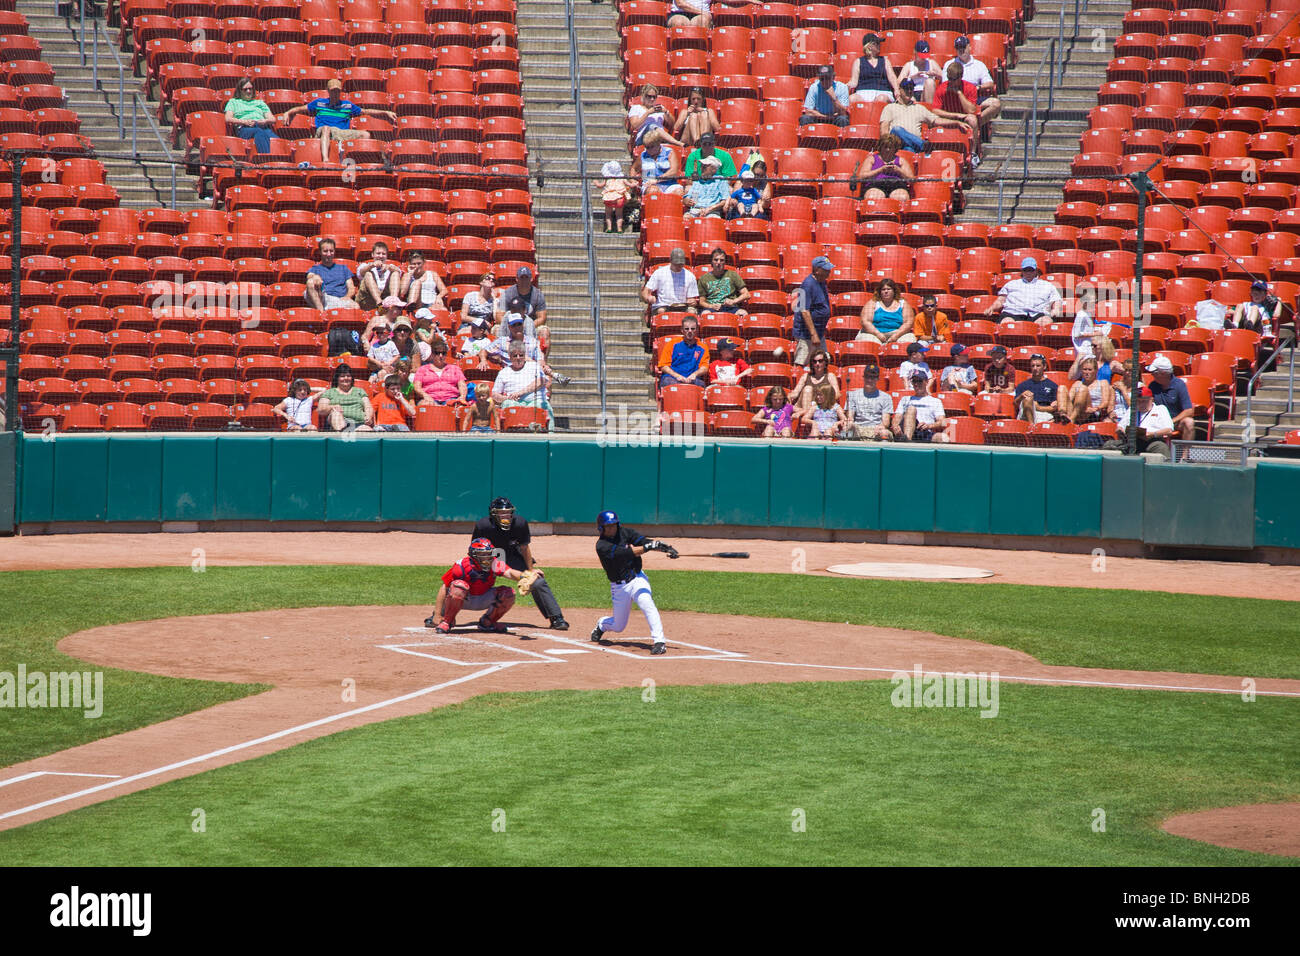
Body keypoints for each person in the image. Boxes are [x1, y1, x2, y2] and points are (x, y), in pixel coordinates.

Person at [472, 496, 570, 630]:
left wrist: (530, 570)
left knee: (537, 581)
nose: (505, 515)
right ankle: (441, 616)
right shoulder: (483, 526)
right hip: (488, 559)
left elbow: (524, 548)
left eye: (507, 512)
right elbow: (475, 548)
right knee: (464, 579)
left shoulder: (520, 523)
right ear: (493, 514)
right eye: (501, 513)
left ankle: (557, 618)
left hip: (513, 557)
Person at [591, 510, 677, 655]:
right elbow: (625, 553)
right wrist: (648, 548)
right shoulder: (602, 546)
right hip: (620, 586)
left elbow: (644, 542)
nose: (612, 528)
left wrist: (664, 547)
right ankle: (602, 625)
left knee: (646, 602)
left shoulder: (625, 533)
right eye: (608, 526)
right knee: (618, 626)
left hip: (637, 578)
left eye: (614, 525)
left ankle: (659, 642)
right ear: (601, 528)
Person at [283, 78, 396, 164]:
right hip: (323, 131)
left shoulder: (347, 105)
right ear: (328, 91)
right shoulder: (319, 103)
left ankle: (357, 161)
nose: (335, 94)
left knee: (365, 134)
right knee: (327, 128)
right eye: (333, 91)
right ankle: (326, 160)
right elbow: (301, 109)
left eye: (337, 91)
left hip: (341, 133)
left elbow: (366, 111)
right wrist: (288, 112)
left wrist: (385, 112)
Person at [424, 537, 525, 634]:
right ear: (473, 555)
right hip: (463, 599)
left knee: (508, 593)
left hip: (483, 598)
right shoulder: (461, 566)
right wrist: (437, 615)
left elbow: (510, 572)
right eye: (482, 554)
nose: (486, 558)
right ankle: (447, 621)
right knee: (459, 586)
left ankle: (488, 623)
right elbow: (444, 588)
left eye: (488, 554)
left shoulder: (494, 563)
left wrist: (525, 576)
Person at [944, 35, 1001, 129]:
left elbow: (990, 83)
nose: (961, 50)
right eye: (958, 48)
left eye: (963, 47)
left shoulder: (979, 65)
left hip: (974, 98)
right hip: (956, 99)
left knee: (996, 103)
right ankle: (971, 125)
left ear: (969, 47)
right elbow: (945, 84)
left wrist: (977, 87)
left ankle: (973, 125)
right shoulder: (949, 64)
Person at [492, 340, 553, 428]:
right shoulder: (503, 372)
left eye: (521, 355)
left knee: (544, 405)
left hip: (535, 402)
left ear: (525, 356)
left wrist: (520, 393)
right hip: (514, 403)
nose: (518, 358)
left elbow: (541, 381)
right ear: (510, 357)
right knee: (508, 404)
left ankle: (550, 436)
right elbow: (494, 394)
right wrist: (506, 398)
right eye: (515, 355)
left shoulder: (534, 366)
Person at [931, 61, 983, 164]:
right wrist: (955, 115)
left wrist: (959, 93)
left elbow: (971, 110)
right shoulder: (942, 88)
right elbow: (935, 110)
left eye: (953, 79)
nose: (950, 82)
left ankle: (972, 154)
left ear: (960, 77)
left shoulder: (970, 88)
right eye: (948, 78)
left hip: (964, 118)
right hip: (948, 118)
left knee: (972, 119)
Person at [987, 257, 1063, 326]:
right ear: (1022, 271)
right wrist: (992, 308)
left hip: (1037, 314)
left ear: (1036, 270)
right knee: (1006, 322)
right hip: (1013, 313)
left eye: (1031, 270)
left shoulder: (1047, 285)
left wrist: (1055, 310)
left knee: (1046, 321)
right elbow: (1001, 300)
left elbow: (1056, 301)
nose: (1028, 272)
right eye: (1026, 270)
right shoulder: (1011, 284)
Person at [1103, 386, 1174, 458]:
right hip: (1131, 440)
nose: (1141, 404)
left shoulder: (1160, 409)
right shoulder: (1132, 409)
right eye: (1138, 401)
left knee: (1161, 447)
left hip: (1151, 440)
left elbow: (1169, 430)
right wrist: (1120, 430)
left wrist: (1151, 434)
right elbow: (1120, 426)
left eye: (1144, 401)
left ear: (1151, 399)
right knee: (1108, 444)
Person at [498, 267, 550, 353]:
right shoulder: (508, 293)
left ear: (531, 279)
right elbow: (499, 316)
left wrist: (526, 325)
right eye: (522, 277)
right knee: (496, 329)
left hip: (531, 323)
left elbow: (542, 317)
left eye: (527, 277)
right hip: (510, 324)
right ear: (517, 279)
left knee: (545, 332)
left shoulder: (537, 294)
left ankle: (542, 362)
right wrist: (514, 326)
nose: (524, 280)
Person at [793, 255, 833, 367]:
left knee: (824, 361)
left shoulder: (822, 282)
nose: (828, 272)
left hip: (818, 332)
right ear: (816, 270)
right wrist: (813, 334)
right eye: (825, 270)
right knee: (801, 362)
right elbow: (804, 311)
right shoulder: (808, 284)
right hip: (806, 334)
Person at [1146, 354, 1195, 440]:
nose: (1152, 375)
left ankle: (1185, 453)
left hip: (1175, 421)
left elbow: (1189, 410)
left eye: (1154, 373)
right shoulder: (1152, 386)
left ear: (1163, 373)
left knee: (1189, 422)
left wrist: (1171, 421)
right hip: (1157, 421)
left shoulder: (1179, 385)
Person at [853, 132, 914, 202]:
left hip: (897, 185)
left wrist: (898, 170)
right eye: (885, 147)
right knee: (873, 197)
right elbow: (862, 176)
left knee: (902, 197)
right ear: (880, 147)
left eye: (890, 147)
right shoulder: (872, 159)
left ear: (895, 149)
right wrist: (880, 170)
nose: (887, 150)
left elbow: (911, 179)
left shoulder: (901, 161)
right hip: (875, 185)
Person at [894, 371, 953, 441]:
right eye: (914, 381)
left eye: (919, 381)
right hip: (906, 431)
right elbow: (897, 417)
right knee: (911, 409)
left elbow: (942, 421)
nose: (916, 384)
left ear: (926, 382)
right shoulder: (905, 399)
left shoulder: (936, 401)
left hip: (925, 431)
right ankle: (908, 442)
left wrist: (929, 425)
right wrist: (895, 427)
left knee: (944, 438)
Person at [224, 78, 277, 154]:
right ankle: (265, 158)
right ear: (240, 91)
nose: (248, 91)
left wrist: (264, 121)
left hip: (261, 126)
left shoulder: (260, 103)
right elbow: (228, 118)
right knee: (259, 132)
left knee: (277, 140)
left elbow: (272, 119)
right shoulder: (233, 102)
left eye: (250, 89)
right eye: (245, 89)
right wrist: (244, 122)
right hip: (244, 128)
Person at [856, 277, 915, 344]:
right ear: (880, 291)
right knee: (869, 342)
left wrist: (895, 336)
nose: (886, 291)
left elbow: (908, 323)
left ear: (894, 291)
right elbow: (865, 321)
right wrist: (878, 334)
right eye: (883, 289)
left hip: (897, 333)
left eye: (889, 289)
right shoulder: (873, 303)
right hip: (874, 334)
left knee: (909, 339)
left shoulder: (903, 303)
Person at [642, 246, 700, 314]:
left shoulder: (690, 276)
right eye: (676, 264)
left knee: (692, 312)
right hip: (663, 305)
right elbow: (645, 291)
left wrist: (692, 301)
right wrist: (648, 297)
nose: (678, 266)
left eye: (681, 264)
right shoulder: (659, 272)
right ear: (670, 260)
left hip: (683, 306)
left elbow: (691, 298)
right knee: (661, 311)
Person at [305, 237, 357, 310]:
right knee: (310, 282)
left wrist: (347, 297)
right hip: (323, 298)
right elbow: (309, 276)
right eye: (325, 251)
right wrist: (315, 276)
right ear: (320, 252)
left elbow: (351, 288)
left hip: (339, 300)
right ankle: (321, 313)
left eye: (331, 251)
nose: (329, 254)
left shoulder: (343, 268)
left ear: (334, 251)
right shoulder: (315, 269)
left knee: (355, 306)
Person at [657, 315, 709, 389]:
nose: (690, 331)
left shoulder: (703, 347)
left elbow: (704, 367)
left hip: (692, 379)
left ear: (697, 330)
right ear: (682, 330)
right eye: (687, 329)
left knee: (701, 385)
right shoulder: (672, 344)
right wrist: (677, 376)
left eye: (693, 329)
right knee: (668, 383)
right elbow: (664, 366)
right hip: (673, 378)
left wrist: (694, 374)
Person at [316, 364, 373, 431]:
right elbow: (321, 409)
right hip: (337, 423)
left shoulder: (360, 391)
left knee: (367, 429)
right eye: (342, 376)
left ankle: (350, 432)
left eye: (348, 376)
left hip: (359, 423)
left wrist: (368, 416)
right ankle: (344, 432)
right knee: (336, 414)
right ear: (337, 378)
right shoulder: (329, 392)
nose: (346, 378)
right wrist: (332, 407)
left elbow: (368, 406)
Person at [846, 363, 894, 440]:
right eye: (867, 376)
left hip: (876, 429)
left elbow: (886, 422)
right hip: (858, 428)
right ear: (863, 377)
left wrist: (880, 427)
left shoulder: (886, 397)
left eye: (873, 377)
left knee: (884, 433)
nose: (869, 380)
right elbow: (850, 417)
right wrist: (850, 423)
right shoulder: (853, 395)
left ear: (877, 379)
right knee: (848, 428)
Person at [626, 84, 682, 149]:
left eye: (654, 97)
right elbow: (634, 125)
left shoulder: (659, 108)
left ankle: (666, 141)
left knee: (654, 128)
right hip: (643, 138)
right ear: (643, 96)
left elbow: (672, 124)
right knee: (651, 126)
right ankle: (677, 143)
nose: (652, 99)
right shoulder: (636, 108)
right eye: (649, 96)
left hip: (659, 137)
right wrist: (648, 113)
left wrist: (666, 112)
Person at [848, 33, 898, 104]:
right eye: (876, 43)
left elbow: (892, 77)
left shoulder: (885, 61)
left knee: (881, 99)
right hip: (863, 92)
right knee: (852, 98)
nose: (879, 45)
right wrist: (845, 86)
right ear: (869, 46)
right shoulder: (858, 62)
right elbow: (854, 82)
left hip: (883, 92)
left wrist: (896, 89)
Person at [414, 339, 468, 405]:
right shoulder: (422, 369)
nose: (440, 356)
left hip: (451, 398)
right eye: (437, 353)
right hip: (430, 398)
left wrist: (462, 396)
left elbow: (462, 385)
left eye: (443, 353)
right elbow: (417, 387)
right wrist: (425, 395)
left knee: (459, 405)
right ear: (432, 354)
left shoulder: (455, 368)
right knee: (423, 404)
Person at [1014, 353, 1064, 424]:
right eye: (1033, 366)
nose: (1035, 368)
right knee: (1028, 399)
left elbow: (1054, 407)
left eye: (1038, 366)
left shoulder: (1052, 386)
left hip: (1044, 415)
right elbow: (1015, 404)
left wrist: (1038, 407)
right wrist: (1021, 396)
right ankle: (1032, 427)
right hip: (1025, 414)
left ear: (1044, 366)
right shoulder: (1023, 385)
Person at [698, 247, 749, 314]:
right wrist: (711, 306)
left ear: (725, 262)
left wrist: (733, 301)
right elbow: (701, 302)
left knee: (743, 313)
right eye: (716, 260)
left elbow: (747, 294)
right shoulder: (704, 278)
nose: (718, 262)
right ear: (711, 262)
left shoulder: (733, 275)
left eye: (721, 260)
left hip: (730, 307)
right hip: (712, 308)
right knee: (705, 313)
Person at [1065, 356, 1114, 424]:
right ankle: (1063, 415)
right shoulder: (1077, 383)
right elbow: (1069, 399)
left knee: (1083, 389)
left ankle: (1071, 420)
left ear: (1096, 370)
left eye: (1090, 370)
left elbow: (1105, 402)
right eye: (1085, 369)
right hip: (1077, 412)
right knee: (1062, 388)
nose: (1087, 372)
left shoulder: (1103, 383)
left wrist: (1096, 408)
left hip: (1092, 414)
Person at [791, 349, 840, 414]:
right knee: (808, 389)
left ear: (825, 363)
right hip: (804, 406)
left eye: (820, 361)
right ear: (812, 364)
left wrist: (818, 403)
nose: (817, 364)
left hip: (821, 406)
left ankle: (806, 415)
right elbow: (795, 394)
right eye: (814, 361)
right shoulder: (805, 376)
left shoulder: (830, 376)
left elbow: (836, 395)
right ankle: (806, 415)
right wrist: (787, 398)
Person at [355, 241, 400, 310]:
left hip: (385, 297)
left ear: (387, 256)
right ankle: (379, 303)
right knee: (368, 273)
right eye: (378, 253)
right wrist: (372, 265)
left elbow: (399, 272)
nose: (381, 256)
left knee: (395, 273)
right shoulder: (366, 265)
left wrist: (389, 268)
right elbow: (361, 273)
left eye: (383, 254)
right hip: (368, 300)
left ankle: (393, 301)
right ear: (372, 254)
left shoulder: (390, 267)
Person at [897, 39, 943, 105]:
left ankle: (929, 110)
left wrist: (935, 74)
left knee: (929, 82)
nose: (923, 59)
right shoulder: (909, 65)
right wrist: (913, 77)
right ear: (915, 52)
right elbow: (899, 82)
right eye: (921, 56)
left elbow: (944, 78)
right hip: (912, 92)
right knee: (911, 98)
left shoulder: (931, 63)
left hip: (927, 93)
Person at [672, 86, 720, 150]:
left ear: (703, 99)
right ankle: (697, 142)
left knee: (704, 114)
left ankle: (702, 140)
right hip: (688, 140)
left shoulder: (709, 111)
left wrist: (705, 111)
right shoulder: (685, 112)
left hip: (706, 138)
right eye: (693, 99)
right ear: (690, 100)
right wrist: (687, 114)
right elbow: (676, 128)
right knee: (693, 116)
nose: (696, 101)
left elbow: (717, 128)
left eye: (698, 99)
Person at [638, 129, 683, 196]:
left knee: (679, 192)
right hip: (650, 185)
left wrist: (657, 180)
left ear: (658, 144)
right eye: (647, 147)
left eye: (652, 147)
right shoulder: (643, 155)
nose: (649, 150)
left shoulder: (669, 152)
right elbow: (634, 169)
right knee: (653, 191)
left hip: (669, 184)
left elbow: (674, 171)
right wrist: (633, 181)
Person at [599, 159, 632, 233]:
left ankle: (609, 228)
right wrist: (634, 184)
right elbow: (630, 184)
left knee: (608, 214)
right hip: (619, 198)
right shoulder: (622, 177)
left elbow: (600, 185)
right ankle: (619, 229)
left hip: (609, 198)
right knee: (619, 215)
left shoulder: (607, 178)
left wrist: (596, 182)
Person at [366, 317, 401, 381]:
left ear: (388, 333)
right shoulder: (374, 345)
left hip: (389, 368)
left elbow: (397, 355)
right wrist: (378, 363)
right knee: (370, 380)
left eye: (382, 332)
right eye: (378, 333)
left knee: (381, 374)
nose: (380, 334)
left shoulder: (391, 344)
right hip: (378, 368)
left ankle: (381, 390)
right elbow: (370, 357)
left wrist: (389, 363)